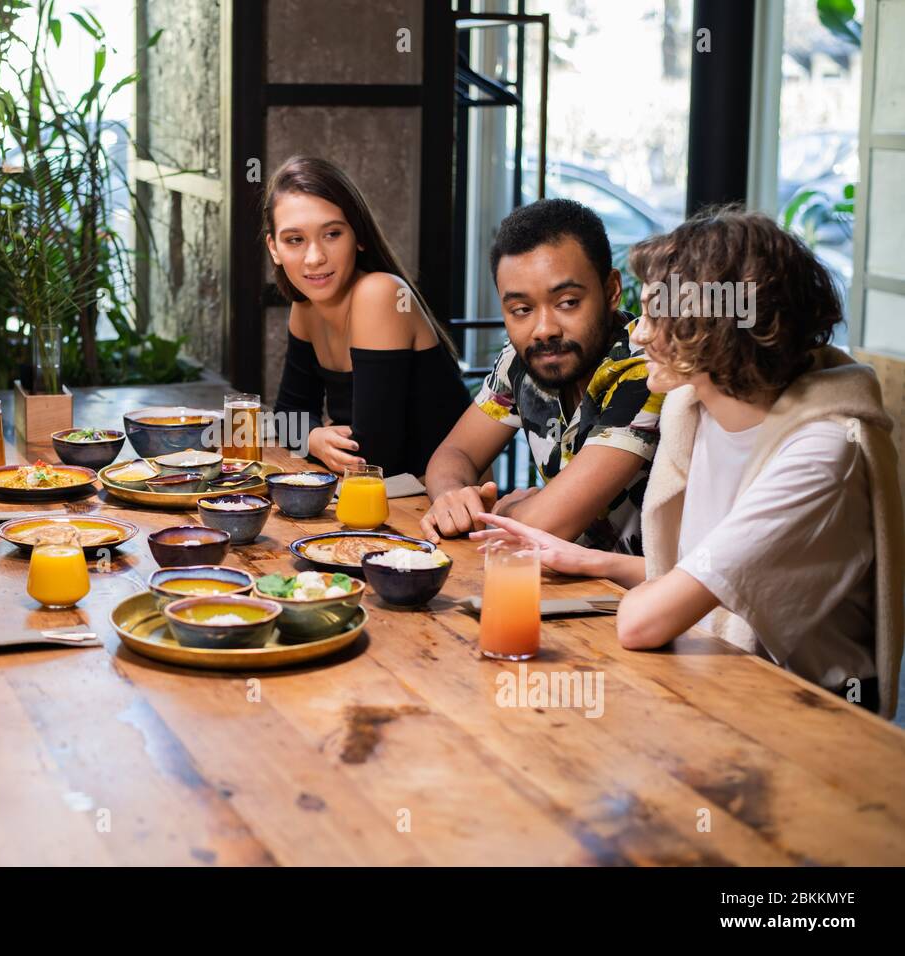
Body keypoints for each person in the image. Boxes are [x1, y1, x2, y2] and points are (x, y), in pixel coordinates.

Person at [472, 208, 903, 718]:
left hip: (811, 706)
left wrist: (639, 582)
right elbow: (708, 573)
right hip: (717, 670)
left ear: (718, 329)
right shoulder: (698, 408)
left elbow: (643, 621)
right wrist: (590, 561)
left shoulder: (822, 452)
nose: (637, 334)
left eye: (658, 316)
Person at [421, 198, 663, 554]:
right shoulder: (523, 360)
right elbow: (454, 453)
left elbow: (549, 523)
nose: (543, 329)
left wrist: (504, 509)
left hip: (640, 598)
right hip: (563, 586)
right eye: (521, 309)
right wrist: (452, 498)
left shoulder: (647, 368)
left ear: (611, 291)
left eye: (567, 302)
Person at [267, 156, 471, 478]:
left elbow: (375, 457)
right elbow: (287, 416)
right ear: (274, 249)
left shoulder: (381, 293)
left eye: (332, 234)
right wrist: (313, 438)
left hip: (443, 505)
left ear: (358, 236)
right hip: (383, 498)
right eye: (295, 240)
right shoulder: (305, 307)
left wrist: (315, 436)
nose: (315, 257)